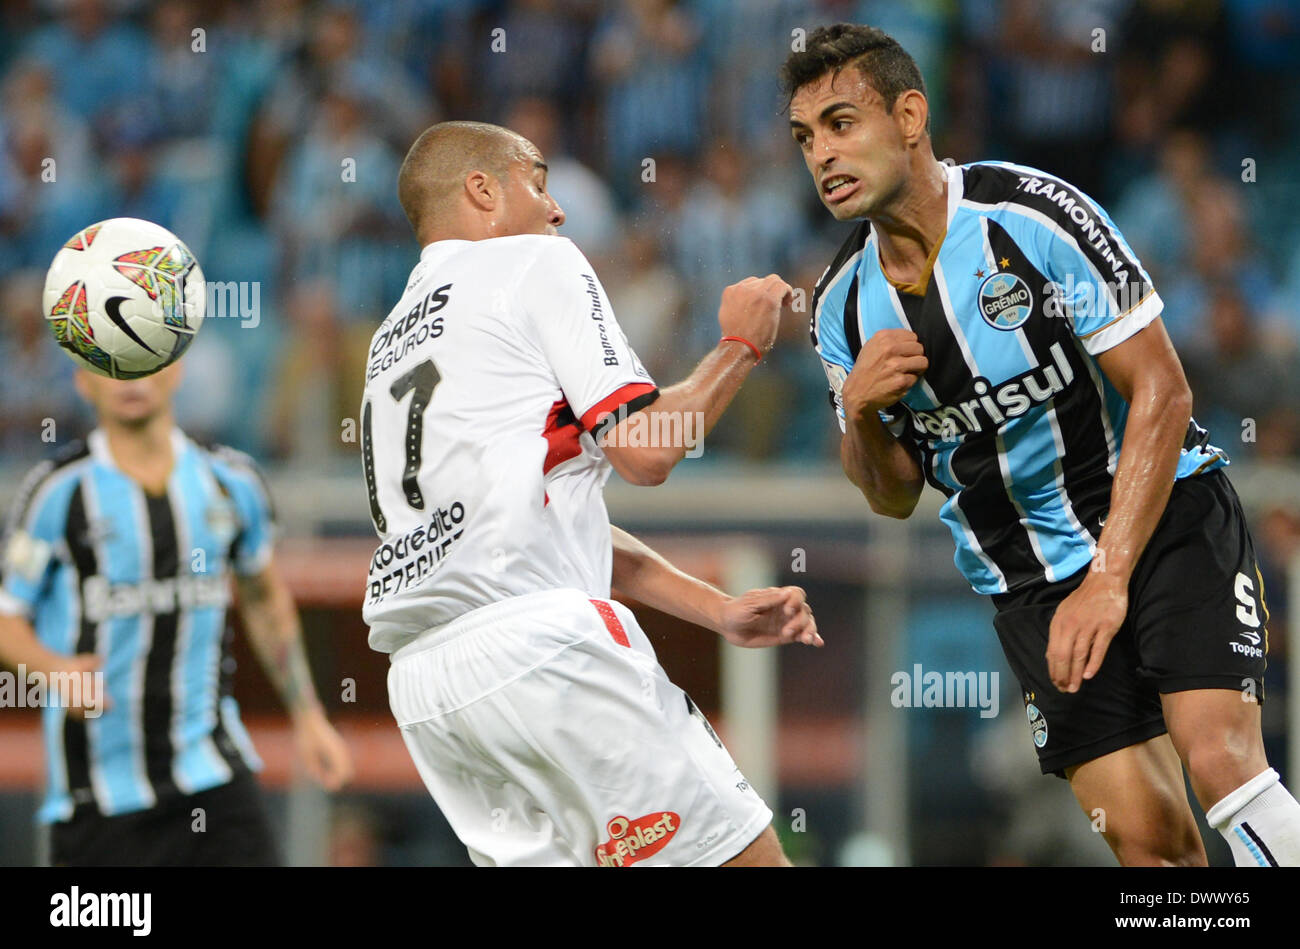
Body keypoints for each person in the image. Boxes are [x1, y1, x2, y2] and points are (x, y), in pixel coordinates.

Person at [783, 23, 1300, 866]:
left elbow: (1164, 392)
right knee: (1149, 844)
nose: (822, 155)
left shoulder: (1035, 216)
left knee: (1223, 765)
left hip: (1165, 518)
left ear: (910, 114)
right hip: (1029, 582)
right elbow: (888, 494)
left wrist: (1108, 578)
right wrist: (870, 414)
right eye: (806, 138)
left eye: (842, 124)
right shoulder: (840, 305)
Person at [364, 121, 820, 867]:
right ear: (482, 190)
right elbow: (645, 450)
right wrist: (741, 347)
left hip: (432, 692)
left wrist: (715, 608)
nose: (557, 209)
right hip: (543, 652)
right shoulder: (532, 265)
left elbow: (525, 523)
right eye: (536, 181)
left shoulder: (392, 339)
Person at [0, 362, 353, 865]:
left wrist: (310, 715)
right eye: (110, 362)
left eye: (144, 358)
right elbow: (6, 616)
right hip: (97, 797)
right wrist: (53, 671)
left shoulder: (232, 481)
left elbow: (263, 597)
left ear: (178, 370)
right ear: (83, 380)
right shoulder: (56, 493)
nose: (131, 378)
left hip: (213, 777)